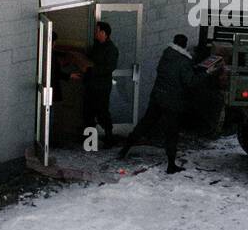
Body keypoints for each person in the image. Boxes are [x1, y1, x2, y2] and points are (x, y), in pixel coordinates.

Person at [118, 33, 195, 173]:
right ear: (184, 45)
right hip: (172, 102)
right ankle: (171, 164)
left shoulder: (166, 55)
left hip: (157, 97)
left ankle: (124, 149)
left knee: (145, 123)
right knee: (172, 132)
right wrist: (206, 74)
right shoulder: (184, 61)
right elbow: (190, 82)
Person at [71, 20, 118, 145]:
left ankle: (109, 137)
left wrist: (91, 69)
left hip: (101, 86)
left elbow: (109, 67)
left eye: (97, 31)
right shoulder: (96, 46)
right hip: (90, 84)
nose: (95, 33)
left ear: (103, 33)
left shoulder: (111, 49)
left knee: (102, 111)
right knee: (88, 112)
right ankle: (90, 141)